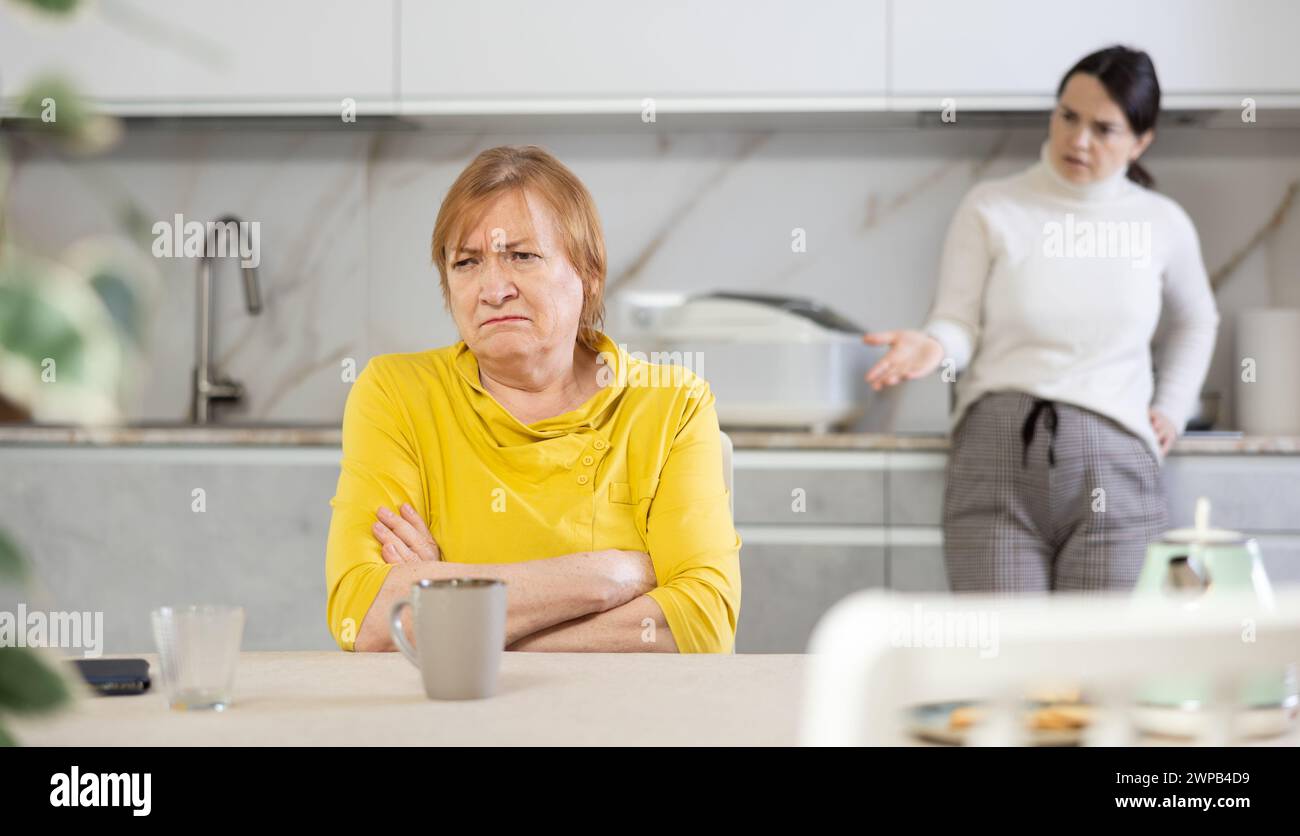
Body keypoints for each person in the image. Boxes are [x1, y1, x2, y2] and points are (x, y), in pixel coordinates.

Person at [325, 145, 741, 652]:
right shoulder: (396, 393)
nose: (493, 289)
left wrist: (455, 619)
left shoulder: (672, 405)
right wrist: (605, 577)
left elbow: (703, 622)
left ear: (588, 274)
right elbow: (364, 618)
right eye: (467, 262)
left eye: (522, 256)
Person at [864, 46, 1219, 592]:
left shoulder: (1161, 223)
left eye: (1104, 128)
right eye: (1067, 116)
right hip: (996, 457)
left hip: (1115, 462)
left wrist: (1171, 408)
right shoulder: (992, 206)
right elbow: (956, 321)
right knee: (1004, 661)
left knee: (1101, 665)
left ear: (1141, 140)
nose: (1078, 140)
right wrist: (934, 347)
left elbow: (1198, 320)